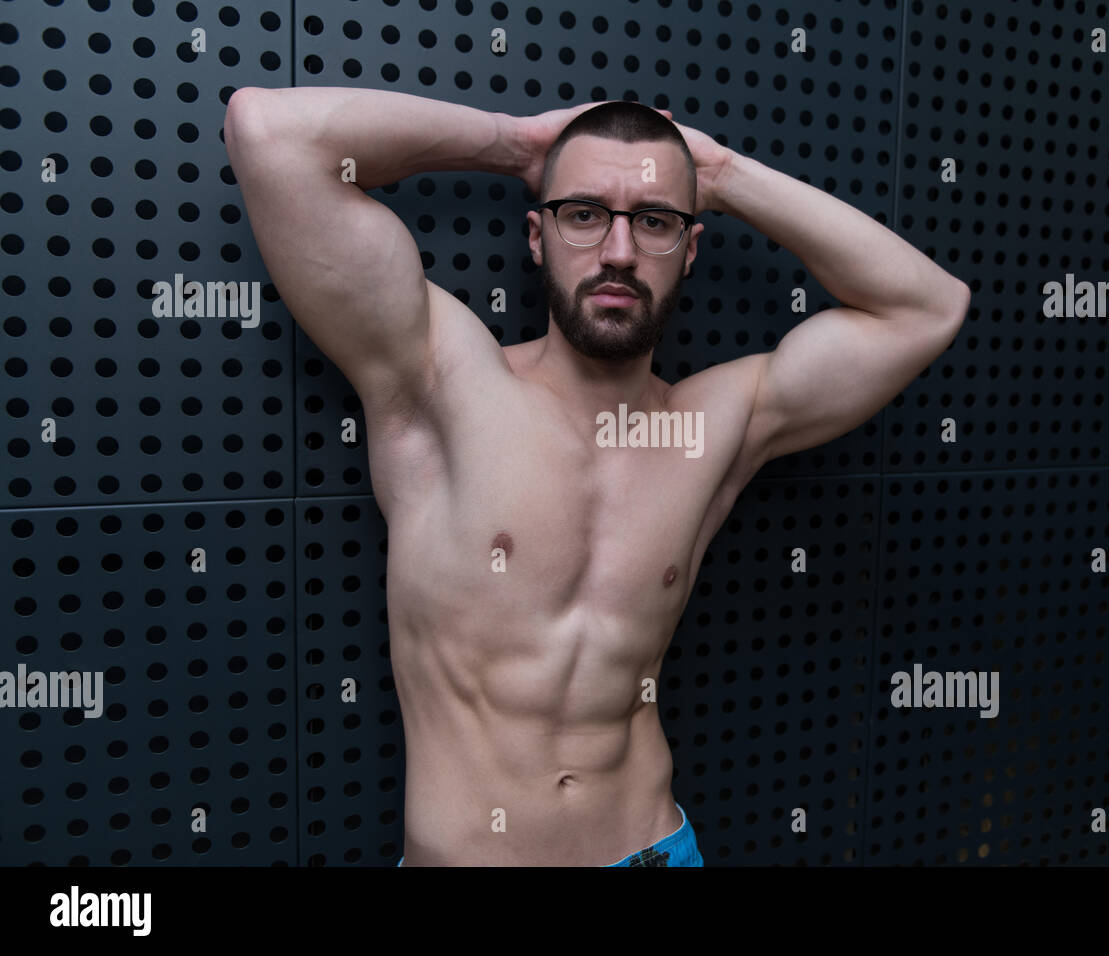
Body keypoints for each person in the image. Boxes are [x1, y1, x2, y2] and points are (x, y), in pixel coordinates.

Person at [223, 90, 970, 866]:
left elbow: (925, 308)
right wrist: (515, 145)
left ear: (690, 248)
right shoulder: (439, 379)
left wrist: (716, 170)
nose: (618, 251)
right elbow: (270, 133)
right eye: (583, 213)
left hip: (652, 851)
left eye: (653, 220)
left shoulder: (715, 426)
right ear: (537, 237)